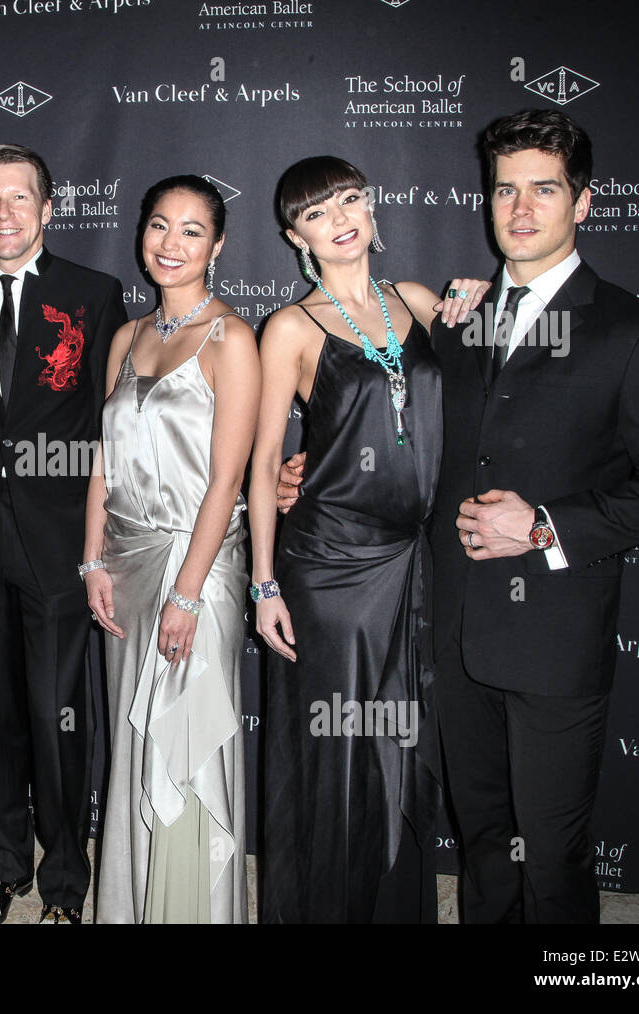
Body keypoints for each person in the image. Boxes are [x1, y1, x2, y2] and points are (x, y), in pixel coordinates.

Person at [429, 110, 639, 922]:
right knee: (482, 842)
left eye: (544, 189)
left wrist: (545, 526)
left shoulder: (634, 329)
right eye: (504, 189)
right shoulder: (459, 321)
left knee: (552, 859)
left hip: (554, 638)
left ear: (583, 203)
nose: (520, 208)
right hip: (452, 631)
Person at [249, 156, 486, 923]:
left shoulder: (417, 299)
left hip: (416, 561)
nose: (340, 218)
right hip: (328, 569)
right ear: (295, 236)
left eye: (350, 199)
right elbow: (259, 469)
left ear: (373, 209)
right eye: (318, 212)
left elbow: (490, 399)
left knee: (402, 752)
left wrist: (487, 305)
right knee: (338, 756)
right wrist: (263, 583)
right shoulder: (289, 326)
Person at [0, 144, 126, 924]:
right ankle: (4, 869)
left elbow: (116, 423)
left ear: (49, 207)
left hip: (61, 542)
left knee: (57, 716)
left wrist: (101, 542)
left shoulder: (95, 293)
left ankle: (66, 884)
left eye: (19, 199)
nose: (3, 215)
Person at [84, 175, 259, 923]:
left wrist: (187, 593)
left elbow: (227, 481)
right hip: (123, 563)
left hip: (201, 567)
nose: (172, 244)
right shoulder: (127, 336)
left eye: (192, 231)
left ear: (217, 246)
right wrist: (91, 558)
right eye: (160, 226)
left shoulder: (234, 337)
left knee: (184, 747)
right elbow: (104, 461)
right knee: (134, 741)